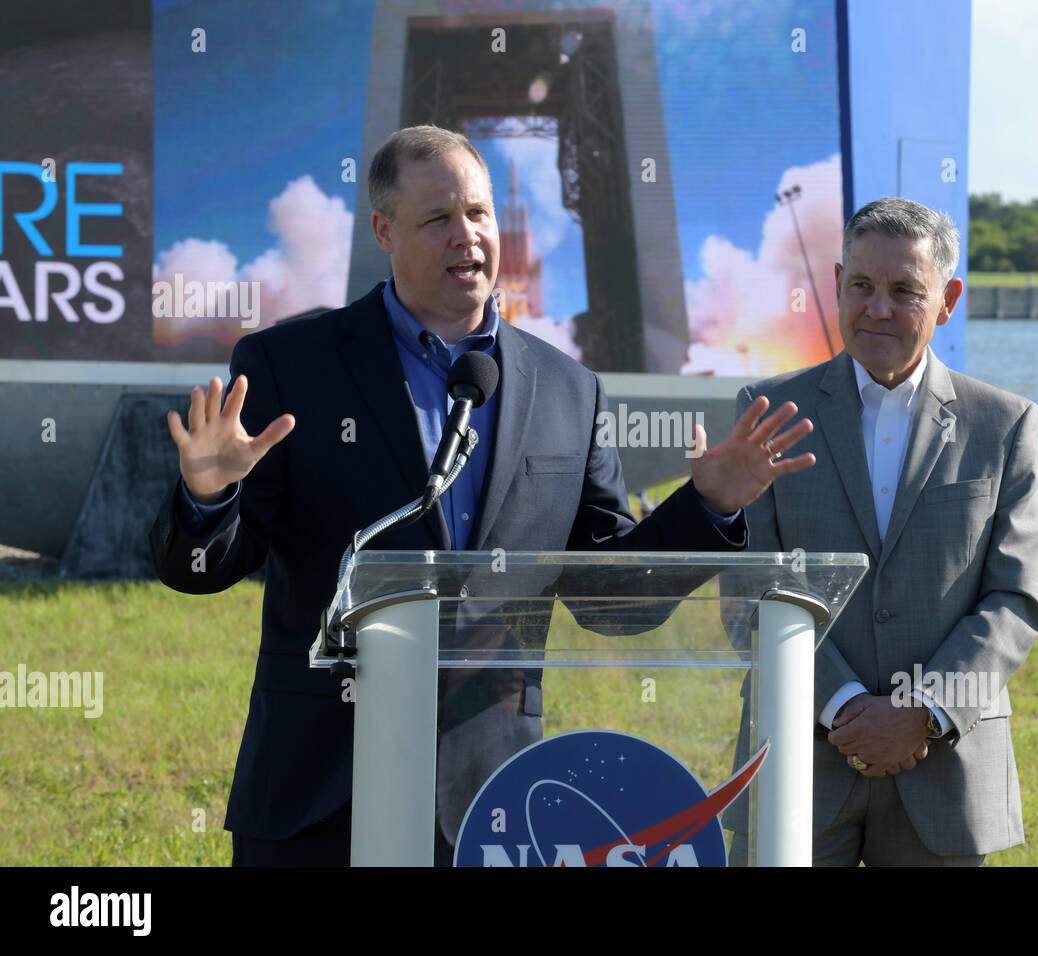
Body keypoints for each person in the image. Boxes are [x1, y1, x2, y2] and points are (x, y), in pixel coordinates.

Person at [148, 124, 814, 866]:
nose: (466, 235)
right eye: (437, 220)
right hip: (320, 784)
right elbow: (202, 569)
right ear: (384, 232)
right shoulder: (289, 364)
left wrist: (707, 506)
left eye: (478, 213)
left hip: (494, 801)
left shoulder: (568, 390)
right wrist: (209, 496)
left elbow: (618, 601)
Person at [724, 196, 1038, 866]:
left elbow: (1012, 603)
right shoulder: (767, 412)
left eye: (905, 291)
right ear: (838, 282)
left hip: (944, 770)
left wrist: (920, 711)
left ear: (948, 299)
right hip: (798, 763)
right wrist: (842, 707)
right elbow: (750, 592)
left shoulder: (1004, 425)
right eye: (862, 286)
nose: (877, 308)